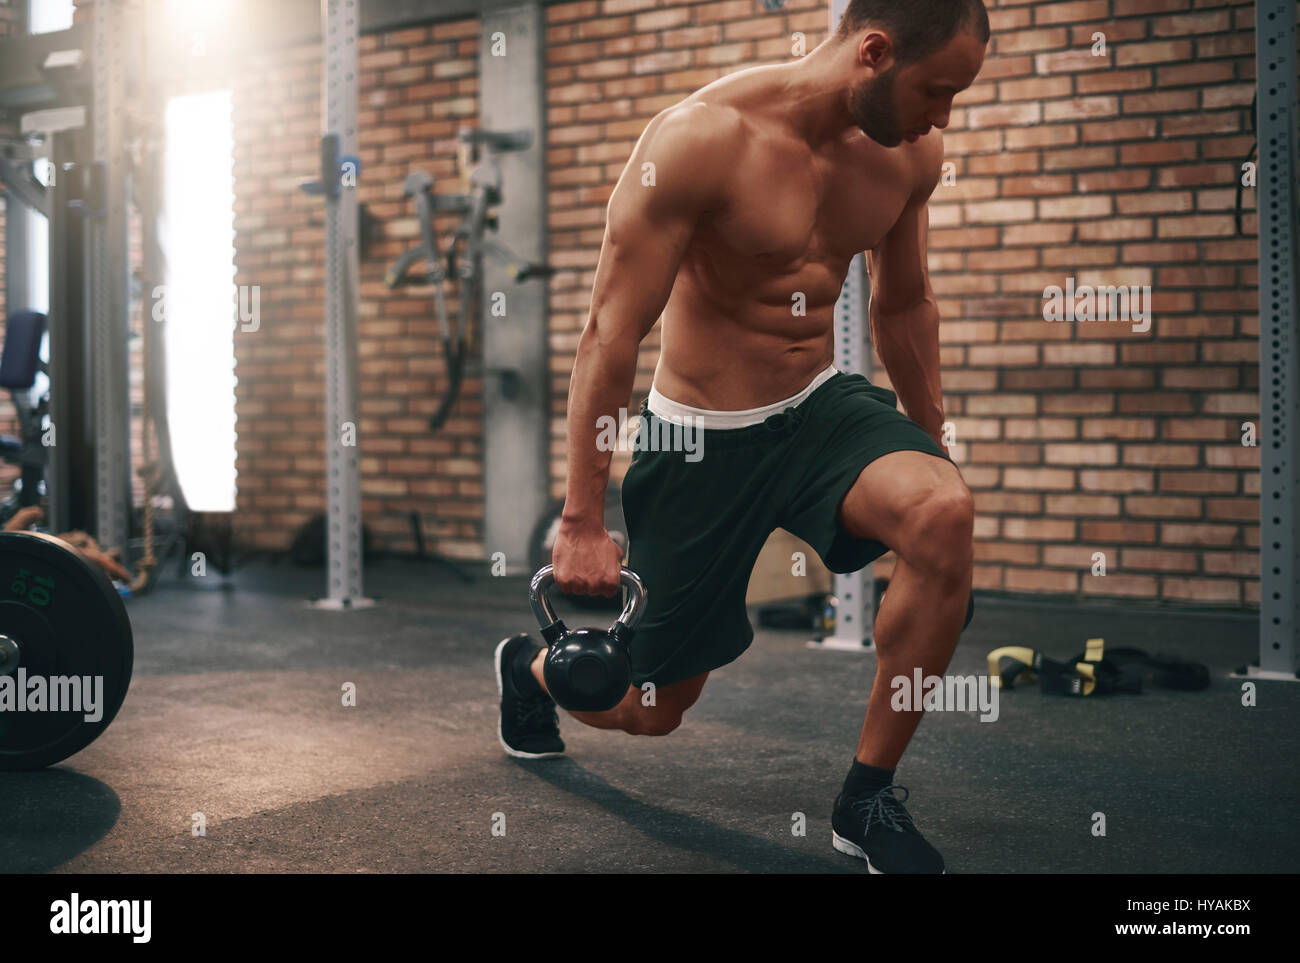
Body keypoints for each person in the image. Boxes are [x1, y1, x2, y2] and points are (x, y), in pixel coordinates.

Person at [496, 0, 989, 874]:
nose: (944, 115)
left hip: (819, 408)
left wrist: (928, 442)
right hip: (700, 441)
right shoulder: (699, 141)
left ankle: (865, 799)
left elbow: (903, 302)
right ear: (873, 52)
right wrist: (581, 516)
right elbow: (611, 333)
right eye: (937, 90)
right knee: (651, 706)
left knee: (944, 511)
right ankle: (531, 673)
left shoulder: (910, 153)